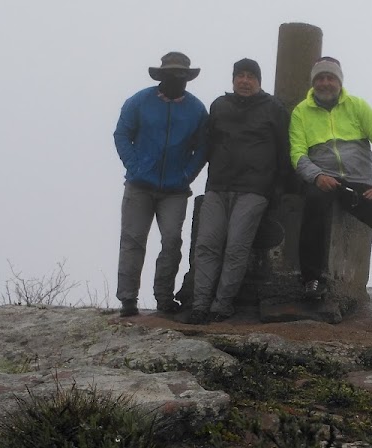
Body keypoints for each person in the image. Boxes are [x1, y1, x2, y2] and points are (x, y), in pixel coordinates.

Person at [289, 56, 372, 314]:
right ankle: (311, 281)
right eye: (320, 79)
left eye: (331, 78)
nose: (326, 83)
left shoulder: (357, 106)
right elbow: (297, 154)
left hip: (357, 184)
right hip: (322, 179)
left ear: (339, 81)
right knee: (313, 205)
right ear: (313, 83)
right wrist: (316, 176)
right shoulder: (301, 111)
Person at [183, 59, 290, 325]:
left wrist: (280, 188)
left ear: (259, 81)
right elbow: (208, 143)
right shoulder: (220, 106)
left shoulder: (273, 108)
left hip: (254, 189)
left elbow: (284, 150)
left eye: (250, 76)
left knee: (236, 248)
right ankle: (199, 306)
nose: (244, 81)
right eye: (240, 76)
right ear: (233, 80)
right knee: (207, 245)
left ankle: (222, 305)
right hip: (218, 186)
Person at [112, 52, 208, 317]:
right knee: (132, 240)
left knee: (171, 241)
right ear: (161, 76)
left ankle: (164, 298)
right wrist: (135, 167)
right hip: (139, 186)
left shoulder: (197, 110)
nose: (176, 79)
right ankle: (128, 299)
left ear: (188, 78)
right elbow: (121, 134)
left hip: (175, 190)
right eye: (171, 74)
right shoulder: (138, 102)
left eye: (181, 75)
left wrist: (187, 175)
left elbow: (202, 148)